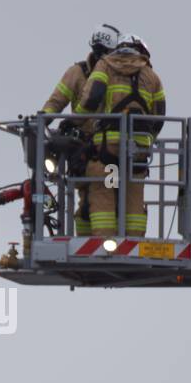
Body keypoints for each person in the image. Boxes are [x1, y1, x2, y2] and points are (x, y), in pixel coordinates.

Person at [76, 34, 165, 238]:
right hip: (138, 153)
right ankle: (132, 242)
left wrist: (73, 121)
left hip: (108, 151)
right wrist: (147, 140)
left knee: (105, 191)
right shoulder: (152, 76)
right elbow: (159, 117)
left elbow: (91, 99)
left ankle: (104, 246)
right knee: (133, 198)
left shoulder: (104, 66)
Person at [39, 25, 119, 235]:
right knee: (86, 199)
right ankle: (87, 239)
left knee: (107, 195)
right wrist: (42, 121)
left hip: (108, 147)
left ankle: (102, 240)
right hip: (83, 147)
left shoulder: (117, 76)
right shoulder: (77, 73)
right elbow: (56, 100)